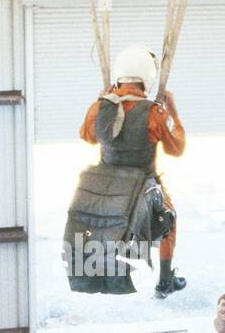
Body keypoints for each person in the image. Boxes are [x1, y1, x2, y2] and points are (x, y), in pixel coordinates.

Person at [79, 44, 187, 299]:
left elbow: (87, 136)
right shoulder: (154, 114)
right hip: (142, 188)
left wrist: (99, 102)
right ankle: (164, 280)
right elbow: (176, 149)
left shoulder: (101, 107)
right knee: (168, 222)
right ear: (147, 79)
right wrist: (173, 112)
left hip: (108, 188)